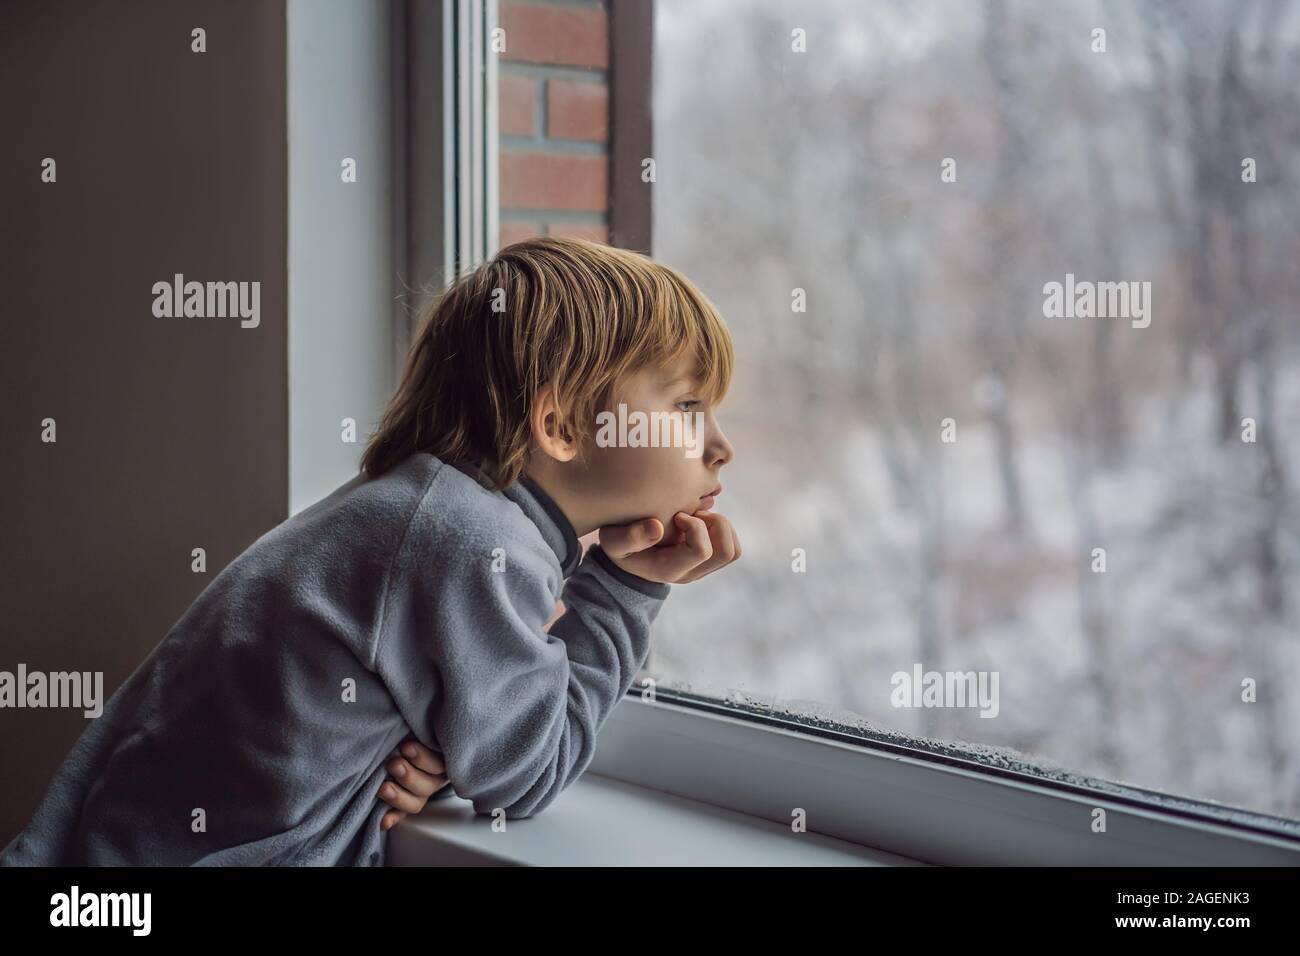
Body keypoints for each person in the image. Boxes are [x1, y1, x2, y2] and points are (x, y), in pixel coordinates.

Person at [0, 236, 740, 866]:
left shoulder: (418, 509)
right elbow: (528, 774)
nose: (720, 447)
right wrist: (622, 593)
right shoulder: (474, 545)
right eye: (686, 407)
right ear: (562, 426)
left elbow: (433, 706)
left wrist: (451, 759)